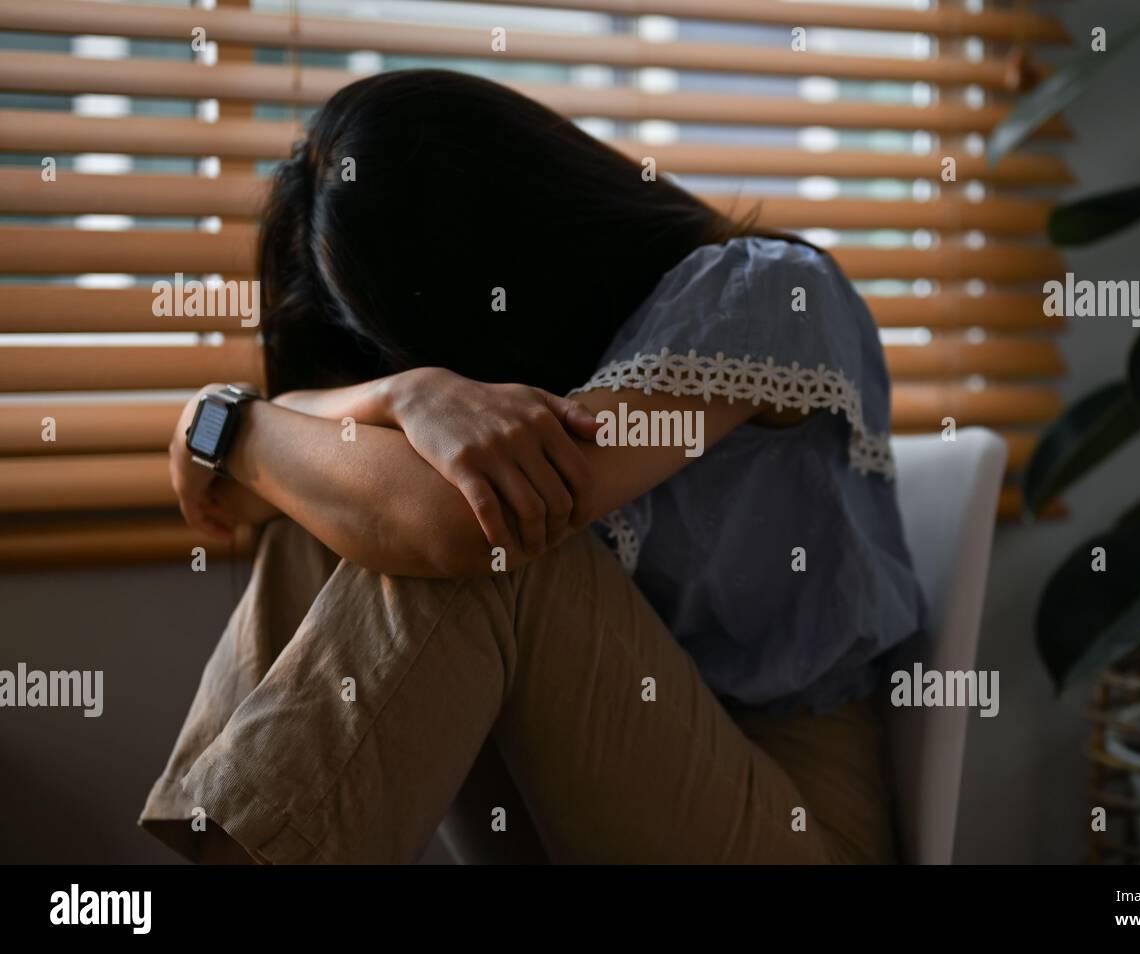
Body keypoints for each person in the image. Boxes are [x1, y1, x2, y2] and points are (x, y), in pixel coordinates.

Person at [139, 69, 928, 864]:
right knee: (330, 518)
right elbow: (242, 506)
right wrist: (395, 395)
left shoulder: (766, 290)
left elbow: (456, 523)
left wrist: (226, 425)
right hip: (596, 786)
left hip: (798, 821)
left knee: (498, 532)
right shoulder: (506, 394)